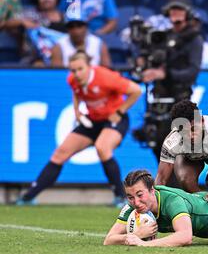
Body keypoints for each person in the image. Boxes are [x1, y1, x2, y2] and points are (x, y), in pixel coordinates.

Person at [16, 50, 142, 207]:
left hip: (114, 119)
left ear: (89, 66)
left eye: (80, 69)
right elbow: (76, 93)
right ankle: (28, 198)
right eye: (73, 70)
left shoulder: (105, 77)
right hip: (93, 121)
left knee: (102, 148)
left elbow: (136, 90)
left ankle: (121, 197)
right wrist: (76, 111)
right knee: (60, 154)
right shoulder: (73, 80)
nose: (76, 73)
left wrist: (119, 111)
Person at [136, 0, 203, 161]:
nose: (175, 13)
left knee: (174, 146)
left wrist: (166, 74)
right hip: (159, 97)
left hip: (180, 98)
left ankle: (174, 184)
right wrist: (146, 64)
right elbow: (155, 60)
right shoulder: (162, 36)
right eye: (172, 9)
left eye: (179, 9)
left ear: (187, 13)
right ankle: (165, 184)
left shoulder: (194, 39)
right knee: (155, 142)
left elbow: (192, 72)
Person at [155, 100, 208, 205]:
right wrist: (153, 203)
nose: (190, 135)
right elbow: (161, 180)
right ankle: (203, 206)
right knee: (185, 178)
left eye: (193, 129)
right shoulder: (172, 141)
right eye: (184, 132)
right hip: (192, 158)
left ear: (202, 120)